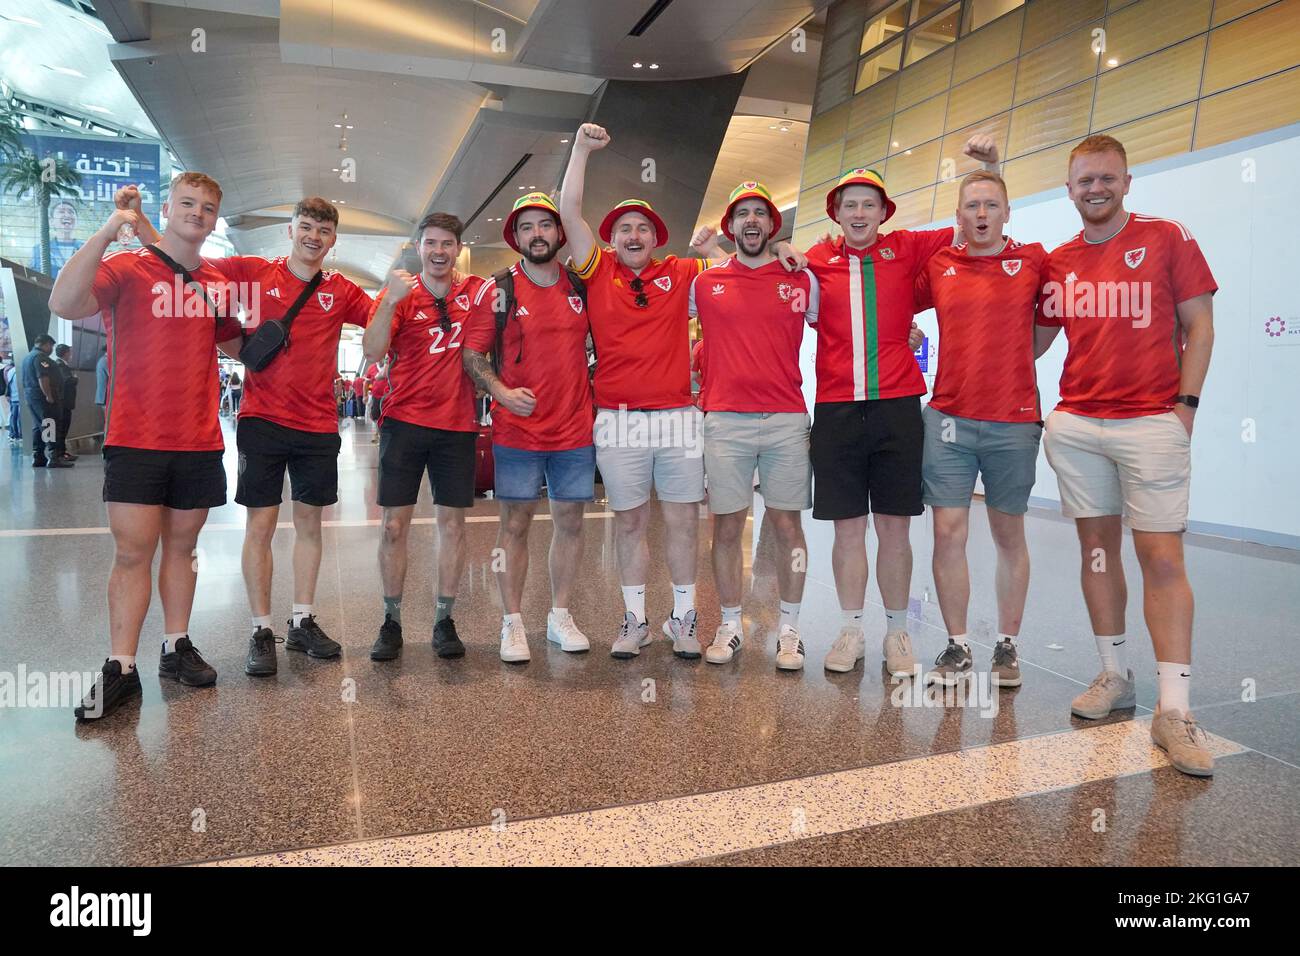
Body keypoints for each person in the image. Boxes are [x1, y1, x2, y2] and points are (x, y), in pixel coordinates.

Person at [557, 124, 803, 659]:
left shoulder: (685, 272)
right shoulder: (597, 271)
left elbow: (742, 269)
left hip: (679, 418)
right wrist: (580, 151)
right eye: (623, 229)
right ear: (611, 238)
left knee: (684, 520)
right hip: (618, 419)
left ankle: (685, 618)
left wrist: (784, 247)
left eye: (642, 228)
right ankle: (634, 620)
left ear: (657, 236)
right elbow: (569, 212)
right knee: (630, 521)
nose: (633, 236)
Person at [126, 190, 377, 676]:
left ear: (333, 240)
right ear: (291, 231)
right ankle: (261, 629)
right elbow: (184, 265)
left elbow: (380, 323)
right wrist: (140, 226)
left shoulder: (342, 289)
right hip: (262, 420)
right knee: (259, 525)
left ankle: (302, 620)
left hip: (319, 425)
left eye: (323, 231)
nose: (313, 237)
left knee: (310, 524)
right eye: (306, 227)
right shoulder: (253, 273)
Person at [1035, 135, 1217, 776]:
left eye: (1106, 178)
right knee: (1096, 551)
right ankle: (1115, 676)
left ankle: (1175, 710)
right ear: (1070, 189)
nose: (1095, 189)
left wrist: (1186, 407)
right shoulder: (1059, 262)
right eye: (1084, 180)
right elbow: (1031, 341)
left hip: (1152, 423)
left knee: (1161, 557)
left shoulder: (1168, 237)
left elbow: (1200, 324)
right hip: (1080, 425)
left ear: (1127, 181)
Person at [787, 137, 999, 677]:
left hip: (898, 407)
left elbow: (974, 225)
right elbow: (765, 266)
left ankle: (898, 633)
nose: (859, 213)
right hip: (836, 409)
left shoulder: (906, 247)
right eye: (849, 204)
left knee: (895, 529)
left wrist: (990, 168)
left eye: (869, 204)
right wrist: (785, 248)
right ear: (835, 213)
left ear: (883, 212)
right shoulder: (813, 260)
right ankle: (852, 628)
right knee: (847, 529)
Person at [49, 172, 244, 721]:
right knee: (133, 552)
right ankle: (121, 668)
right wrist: (113, 227)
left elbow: (235, 340)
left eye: (208, 208)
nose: (198, 214)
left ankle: (176, 646)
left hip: (200, 439)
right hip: (136, 438)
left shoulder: (217, 282)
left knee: (183, 549)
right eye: (188, 204)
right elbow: (65, 302)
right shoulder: (126, 268)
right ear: (168, 206)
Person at [913, 170, 1049, 688]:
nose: (982, 214)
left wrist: (1017, 358)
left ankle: (1008, 646)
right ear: (959, 217)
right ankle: (958, 645)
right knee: (948, 532)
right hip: (948, 420)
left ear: (1007, 212)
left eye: (992, 204)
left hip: (1013, 423)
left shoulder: (1033, 260)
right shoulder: (940, 264)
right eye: (972, 206)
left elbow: (1047, 326)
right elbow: (891, 300)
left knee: (1007, 531)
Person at [688, 182, 818, 670]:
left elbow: (836, 326)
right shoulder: (706, 281)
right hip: (724, 420)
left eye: (759, 213)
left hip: (786, 419)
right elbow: (658, 328)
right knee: (726, 526)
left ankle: (790, 628)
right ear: (731, 226)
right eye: (742, 213)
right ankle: (728, 621)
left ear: (772, 224)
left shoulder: (801, 278)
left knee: (788, 526)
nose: (751, 221)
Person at [462, 192, 595, 662]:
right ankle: (512, 622)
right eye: (527, 227)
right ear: (515, 237)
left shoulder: (582, 286)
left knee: (572, 522)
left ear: (560, 233)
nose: (537, 234)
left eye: (545, 225)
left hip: (575, 430)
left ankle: (560, 616)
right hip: (518, 432)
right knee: (515, 524)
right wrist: (500, 393)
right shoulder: (498, 289)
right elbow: (472, 354)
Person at [362, 212, 493, 662]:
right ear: (419, 247)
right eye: (431, 243)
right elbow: (373, 350)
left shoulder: (475, 292)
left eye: (447, 244)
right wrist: (388, 302)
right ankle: (391, 620)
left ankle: (444, 619)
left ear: (458, 248)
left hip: (457, 426)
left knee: (452, 525)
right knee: (394, 525)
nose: (438, 251)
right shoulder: (400, 293)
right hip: (404, 422)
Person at [21, 334, 67, 468]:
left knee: (38, 426)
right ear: (45, 344)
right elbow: (43, 378)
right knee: (49, 424)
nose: (52, 349)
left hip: (33, 397)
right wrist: (49, 395)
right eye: (51, 346)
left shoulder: (28, 357)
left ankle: (39, 457)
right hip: (43, 398)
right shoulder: (40, 358)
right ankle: (54, 457)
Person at [31, 200, 84, 279]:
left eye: (71, 212)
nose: (67, 215)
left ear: (77, 220)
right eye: (61, 212)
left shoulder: (87, 248)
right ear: (51, 221)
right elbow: (33, 276)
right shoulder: (39, 249)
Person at [53, 344, 79, 462]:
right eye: (70, 352)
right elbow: (67, 380)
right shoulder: (60, 365)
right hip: (63, 402)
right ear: (65, 353)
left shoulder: (62, 365)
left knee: (64, 427)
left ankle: (62, 452)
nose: (71, 355)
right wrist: (75, 379)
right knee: (62, 427)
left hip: (65, 402)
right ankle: (60, 453)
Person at [4, 353, 22, 445]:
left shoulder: (10, 370)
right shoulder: (19, 371)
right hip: (19, 397)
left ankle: (13, 434)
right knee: (19, 417)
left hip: (13, 396)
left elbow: (8, 384)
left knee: (13, 416)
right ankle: (19, 434)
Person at [95, 345, 109, 438]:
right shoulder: (106, 361)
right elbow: (113, 375)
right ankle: (107, 441)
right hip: (106, 396)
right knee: (109, 420)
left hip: (104, 395)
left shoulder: (102, 360)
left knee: (108, 420)